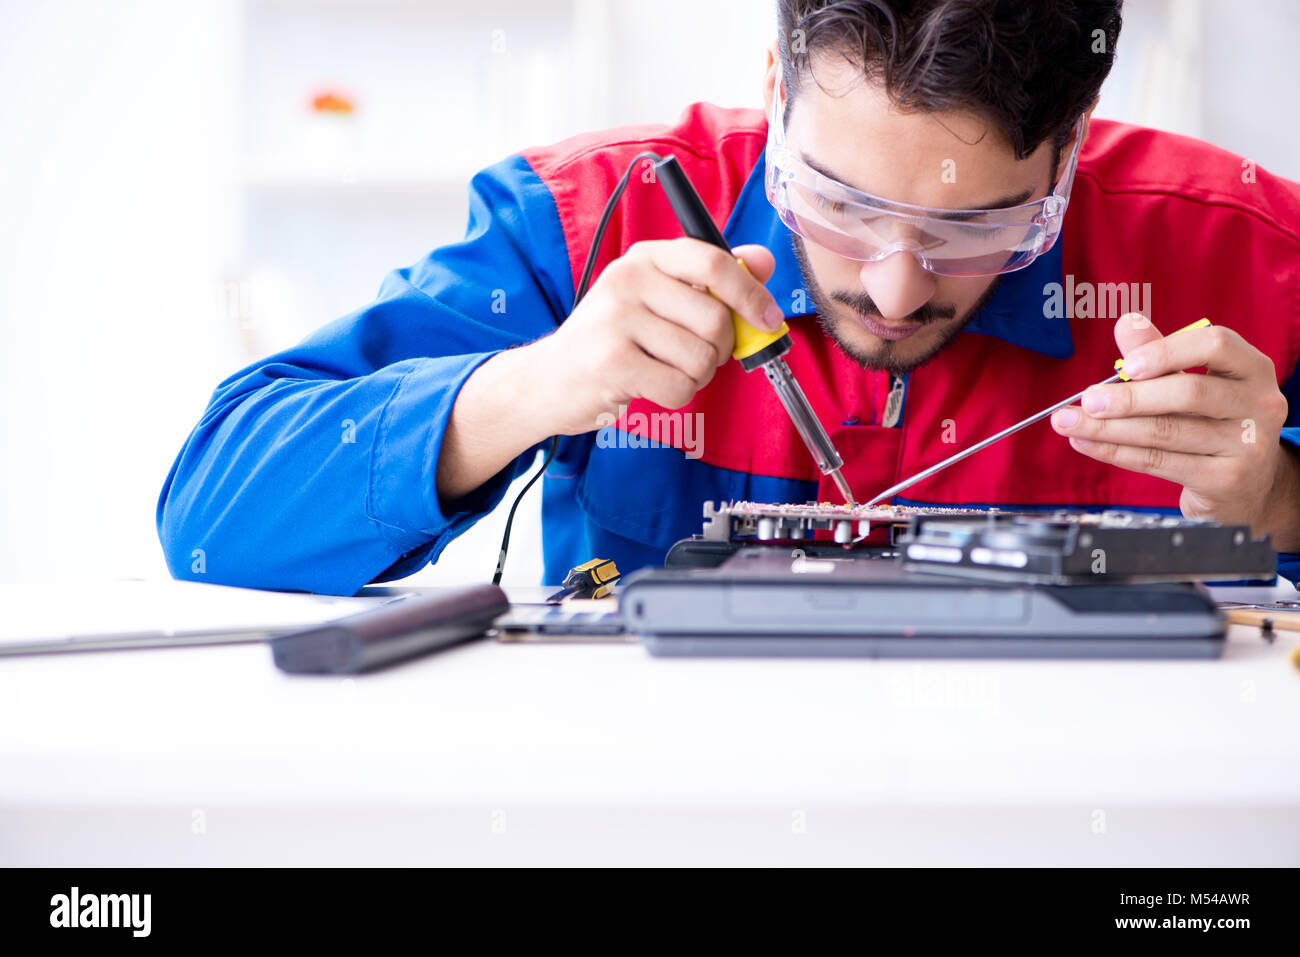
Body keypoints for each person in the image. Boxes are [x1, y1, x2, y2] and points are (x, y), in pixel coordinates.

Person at [158, 0, 1300, 595]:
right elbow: (212, 515)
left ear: (1069, 151)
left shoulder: (1246, 250)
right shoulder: (581, 216)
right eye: (839, 204)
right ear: (773, 96)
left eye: (976, 227)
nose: (894, 287)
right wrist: (531, 387)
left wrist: (1281, 497)